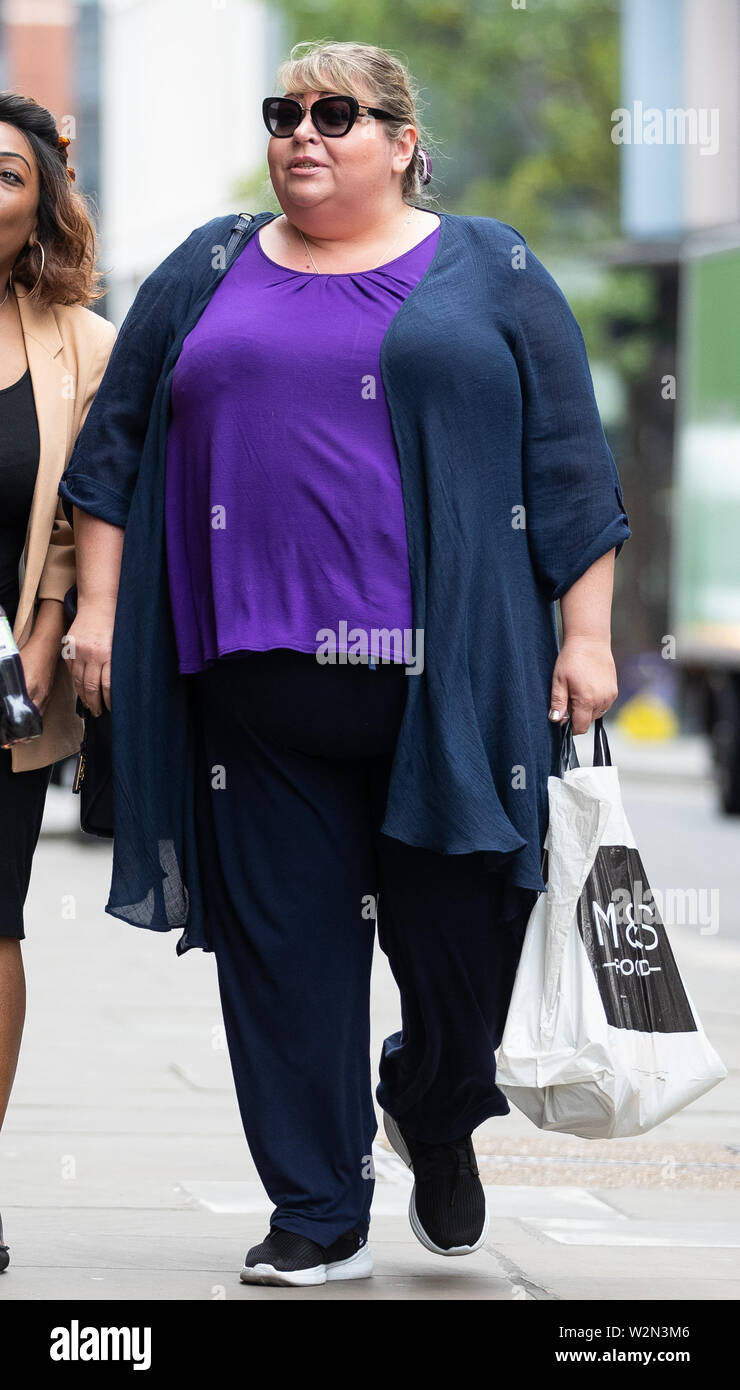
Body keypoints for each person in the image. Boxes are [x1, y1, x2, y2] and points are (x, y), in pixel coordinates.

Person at [58, 40, 631, 1288]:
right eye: (284, 112)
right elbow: (110, 449)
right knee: (285, 959)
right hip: (254, 688)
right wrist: (96, 612)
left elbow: (572, 469)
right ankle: (316, 1208)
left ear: (402, 142)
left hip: (450, 687)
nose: (303, 133)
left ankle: (431, 1104)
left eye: (335, 114)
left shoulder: (491, 266)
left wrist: (584, 636)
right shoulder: (208, 266)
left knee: (465, 960)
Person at [0, 93, 116, 1273]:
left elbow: (87, 525)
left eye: (5, 174)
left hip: (5, 687)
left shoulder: (81, 340)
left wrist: (31, 667)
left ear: (40, 202)